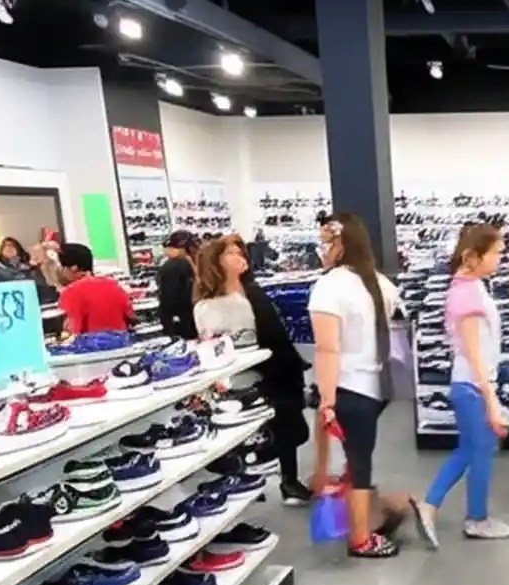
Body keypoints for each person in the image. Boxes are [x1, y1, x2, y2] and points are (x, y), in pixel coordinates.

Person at [308, 212, 407, 558]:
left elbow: (326, 347)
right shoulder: (380, 283)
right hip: (376, 388)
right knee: (357, 462)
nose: (321, 248)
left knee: (355, 465)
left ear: (340, 243)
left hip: (347, 386)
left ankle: (361, 537)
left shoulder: (330, 286)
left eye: (325, 241)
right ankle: (367, 519)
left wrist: (326, 399)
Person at [194, 236, 313, 505]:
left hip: (279, 369)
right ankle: (251, 480)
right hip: (248, 374)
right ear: (216, 262)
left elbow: (275, 332)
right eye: (231, 254)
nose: (240, 257)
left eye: (240, 252)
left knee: (288, 427)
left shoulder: (252, 291)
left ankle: (288, 480)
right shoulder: (211, 303)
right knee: (256, 429)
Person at [416, 224, 509, 544]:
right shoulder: (467, 293)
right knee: (482, 451)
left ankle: (430, 504)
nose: (501, 258)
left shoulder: (468, 287)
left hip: (468, 384)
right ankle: (476, 518)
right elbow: (473, 354)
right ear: (474, 256)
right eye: (497, 252)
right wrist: (492, 402)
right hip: (472, 385)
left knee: (469, 450)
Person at [57, 243, 134, 335]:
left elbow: (71, 332)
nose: (59, 271)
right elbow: (131, 317)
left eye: (61, 267)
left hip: (92, 346)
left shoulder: (70, 292)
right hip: (122, 343)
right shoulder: (113, 285)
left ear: (74, 268)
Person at [158, 231, 198, 340]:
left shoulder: (171, 266)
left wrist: (168, 325)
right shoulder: (196, 262)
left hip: (184, 320)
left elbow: (167, 298)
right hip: (196, 318)